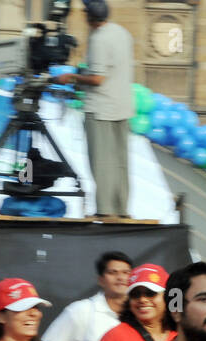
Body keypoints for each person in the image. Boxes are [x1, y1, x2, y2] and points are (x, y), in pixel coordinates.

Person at [57, 2, 134, 218]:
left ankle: (105, 210)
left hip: (101, 108)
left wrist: (71, 77)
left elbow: (98, 78)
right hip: (121, 105)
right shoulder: (121, 33)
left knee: (101, 162)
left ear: (88, 16)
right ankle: (121, 208)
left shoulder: (99, 39)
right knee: (120, 162)